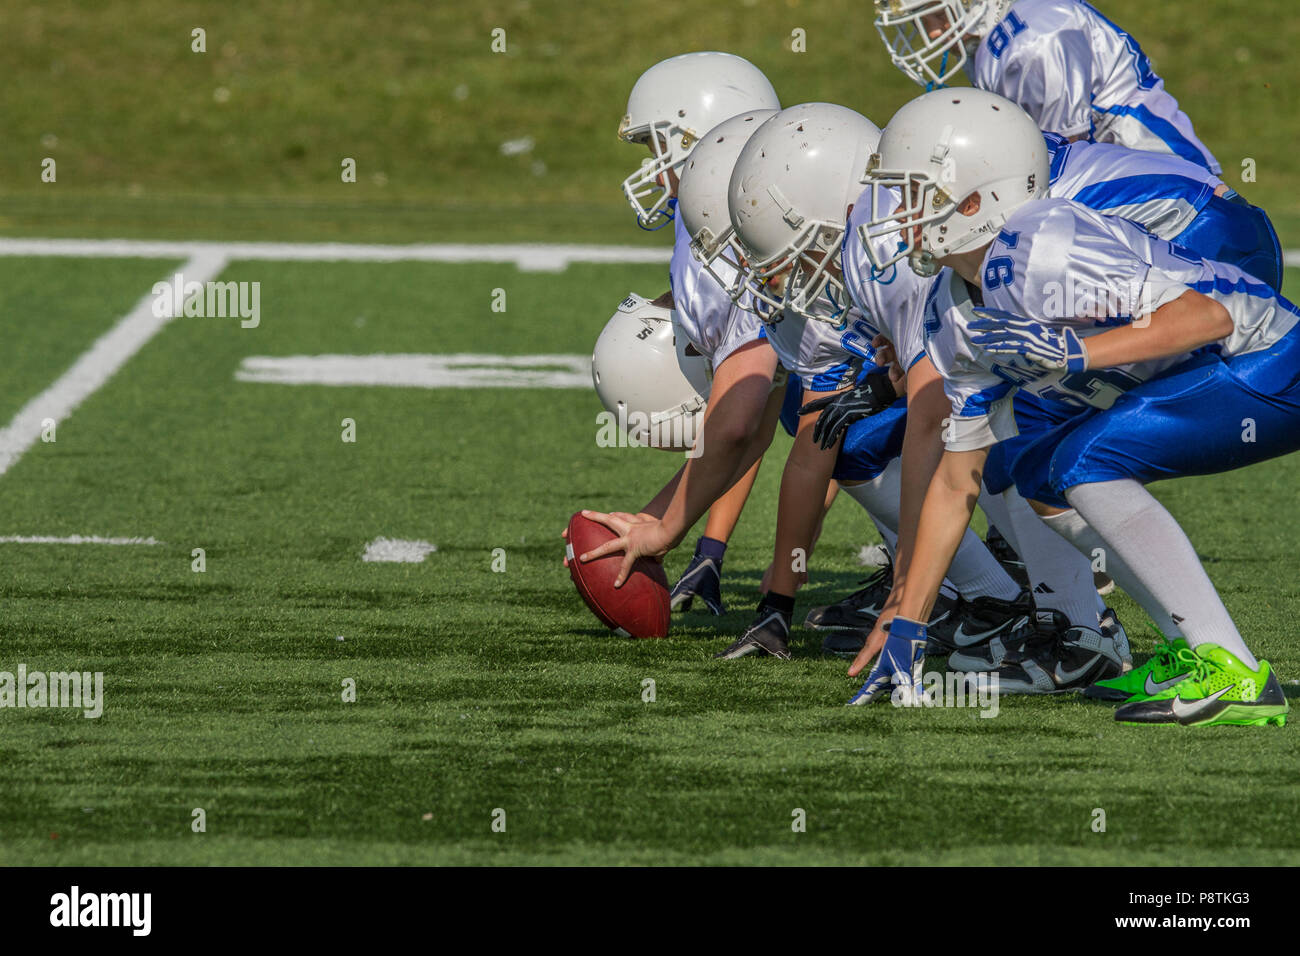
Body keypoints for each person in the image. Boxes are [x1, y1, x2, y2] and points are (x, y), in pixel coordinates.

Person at [851, 89, 1293, 726]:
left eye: (913, 192)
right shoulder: (952, 309)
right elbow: (956, 480)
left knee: (1084, 460)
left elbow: (1207, 314)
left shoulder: (1040, 246)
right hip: (1214, 374)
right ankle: (1191, 650)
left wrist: (1074, 352)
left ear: (975, 199)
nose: (896, 212)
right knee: (1038, 473)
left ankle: (1234, 673)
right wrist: (909, 624)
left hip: (1267, 356)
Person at [873, 0, 1220, 173]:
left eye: (934, 15)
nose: (933, 32)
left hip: (1157, 172)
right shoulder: (997, 37)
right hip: (1114, 172)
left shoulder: (1038, 37)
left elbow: (1065, 154)